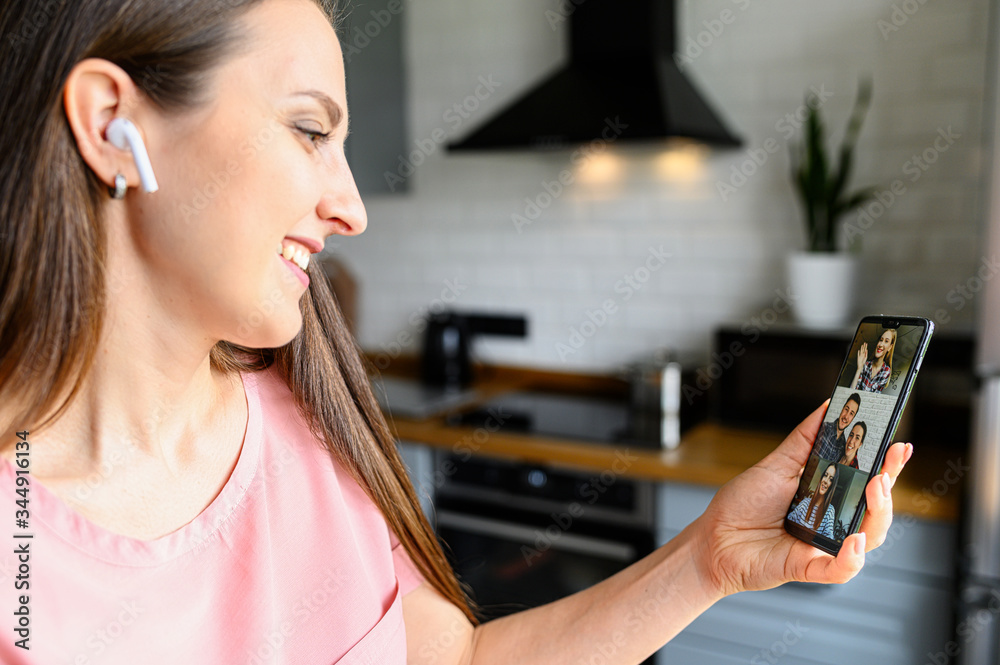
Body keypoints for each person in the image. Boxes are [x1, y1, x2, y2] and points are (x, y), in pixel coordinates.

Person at [0, 1, 913, 663]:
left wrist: (706, 560)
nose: (352, 205)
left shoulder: (314, 424)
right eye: (310, 129)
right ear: (113, 127)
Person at [787, 463, 839, 539]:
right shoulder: (805, 502)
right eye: (825, 475)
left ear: (832, 485)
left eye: (831, 479)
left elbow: (829, 537)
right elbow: (789, 521)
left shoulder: (830, 511)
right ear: (821, 478)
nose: (825, 481)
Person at [813, 393, 861, 462]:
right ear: (842, 409)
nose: (846, 416)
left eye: (851, 413)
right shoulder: (823, 427)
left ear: (853, 418)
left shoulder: (843, 447)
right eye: (846, 409)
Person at [852, 328, 896, 393]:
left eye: (886, 341)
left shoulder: (886, 371)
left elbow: (873, 397)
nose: (880, 344)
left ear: (890, 347)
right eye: (881, 340)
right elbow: (851, 392)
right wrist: (859, 368)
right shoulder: (866, 365)